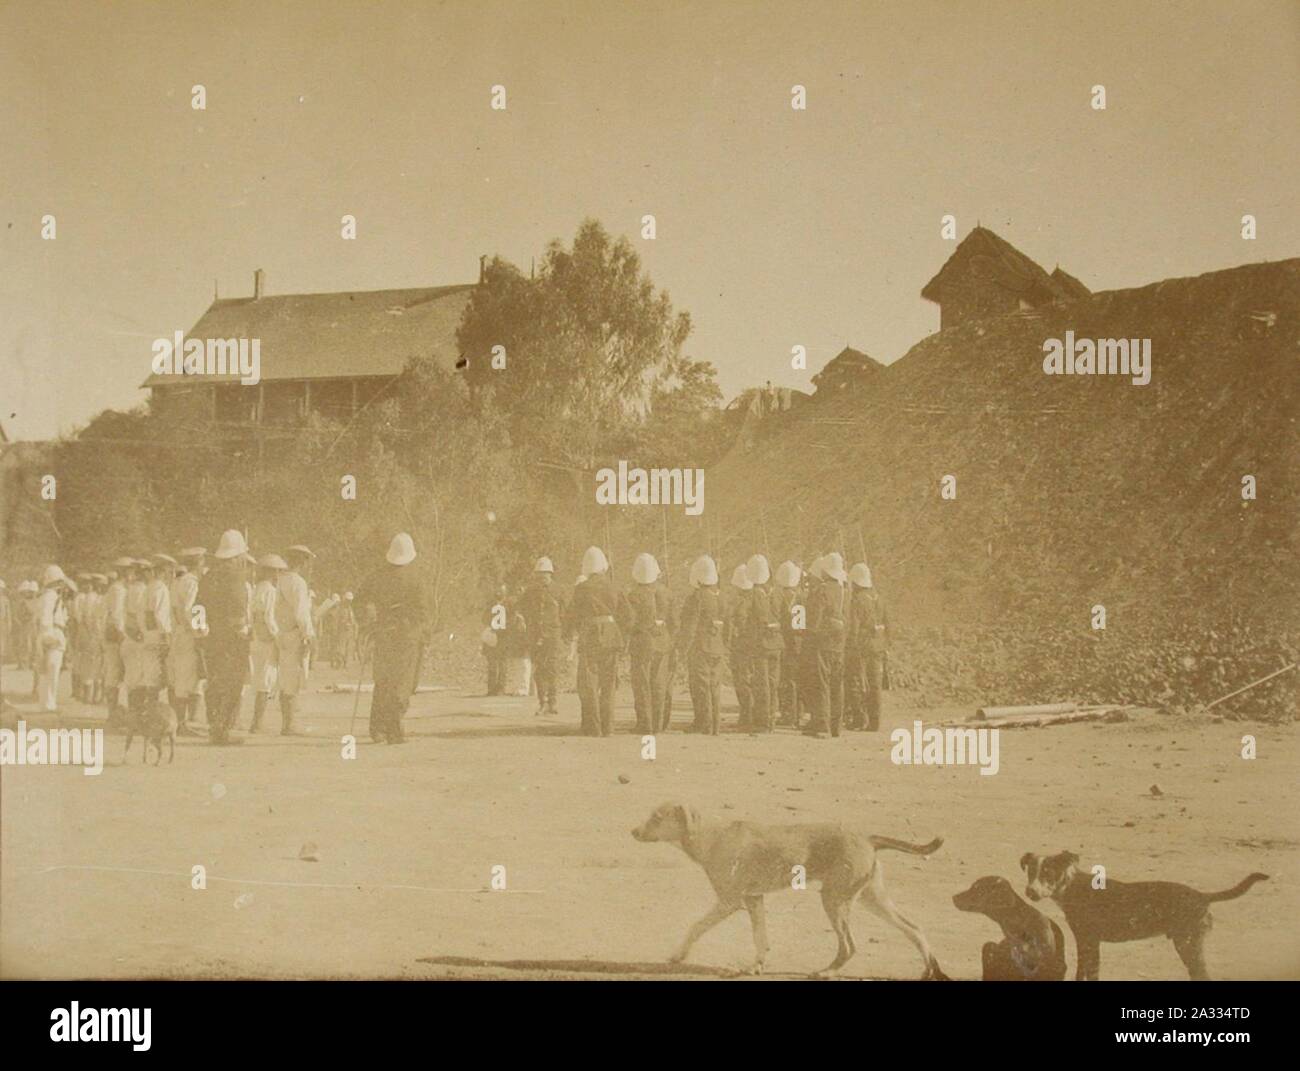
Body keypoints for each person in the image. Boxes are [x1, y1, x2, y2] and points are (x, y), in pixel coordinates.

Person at [357, 532, 427, 744]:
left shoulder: (377, 576)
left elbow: (359, 601)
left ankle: (377, 729)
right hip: (406, 636)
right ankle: (394, 728)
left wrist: (368, 622)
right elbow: (424, 612)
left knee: (383, 681)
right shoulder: (416, 579)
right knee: (401, 682)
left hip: (383, 634)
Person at [198, 530, 253, 745]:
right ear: (237, 556)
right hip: (232, 640)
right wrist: (244, 632)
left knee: (214, 682)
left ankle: (214, 727)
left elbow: (197, 608)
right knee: (233, 683)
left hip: (211, 640)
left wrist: (201, 633)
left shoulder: (208, 577)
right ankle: (224, 729)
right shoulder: (236, 577)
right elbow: (239, 611)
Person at [565, 546, 622, 736]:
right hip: (612, 637)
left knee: (588, 684)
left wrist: (567, 633)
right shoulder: (614, 586)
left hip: (590, 636)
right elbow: (628, 616)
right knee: (608, 685)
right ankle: (609, 727)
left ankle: (593, 726)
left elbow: (572, 614)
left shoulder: (582, 588)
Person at [621, 552, 672, 734]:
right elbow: (674, 621)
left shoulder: (633, 595)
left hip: (642, 643)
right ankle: (658, 725)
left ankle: (645, 724)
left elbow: (628, 621)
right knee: (659, 685)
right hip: (663, 642)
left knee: (642, 685)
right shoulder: (666, 592)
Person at [678, 555, 725, 734]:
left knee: (700, 686)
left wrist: (683, 648)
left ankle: (703, 723)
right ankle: (714, 724)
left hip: (700, 646)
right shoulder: (719, 597)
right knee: (714, 686)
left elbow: (689, 626)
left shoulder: (696, 597)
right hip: (717, 646)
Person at [804, 551, 848, 738]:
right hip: (839, 642)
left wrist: (808, 633)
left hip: (823, 641)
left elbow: (814, 618)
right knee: (837, 683)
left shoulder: (821, 591)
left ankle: (822, 724)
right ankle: (836, 725)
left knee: (821, 683)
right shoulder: (845, 590)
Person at [275, 545, 316, 735]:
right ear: (302, 562)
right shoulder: (297, 582)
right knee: (293, 677)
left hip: (279, 633)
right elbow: (301, 613)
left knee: (285, 679)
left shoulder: (278, 580)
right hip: (293, 633)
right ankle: (289, 724)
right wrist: (309, 635)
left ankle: (287, 722)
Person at [168, 548, 206, 735]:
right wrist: (198, 631)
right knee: (186, 677)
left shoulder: (177, 582)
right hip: (187, 633)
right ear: (198, 562)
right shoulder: (192, 582)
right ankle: (181, 724)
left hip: (178, 631)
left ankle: (179, 723)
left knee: (180, 678)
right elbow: (190, 608)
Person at [845, 563, 888, 731]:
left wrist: (850, 645)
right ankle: (875, 721)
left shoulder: (857, 601)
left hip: (862, 646)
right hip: (878, 646)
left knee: (856, 681)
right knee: (875, 684)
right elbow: (887, 623)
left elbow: (854, 627)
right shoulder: (879, 598)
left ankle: (859, 719)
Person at [743, 554, 782, 733]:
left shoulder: (754, 595)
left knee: (762, 683)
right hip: (776, 642)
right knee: (773, 682)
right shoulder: (775, 593)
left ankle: (763, 721)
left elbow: (748, 618)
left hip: (761, 643)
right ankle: (772, 717)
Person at [520, 557, 562, 716]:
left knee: (552, 668)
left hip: (553, 634)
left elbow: (565, 612)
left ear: (551, 574)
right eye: (539, 575)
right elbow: (522, 608)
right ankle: (542, 702)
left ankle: (553, 701)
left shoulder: (558, 590)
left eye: (545, 574)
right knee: (539, 669)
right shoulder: (530, 591)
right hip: (536, 634)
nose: (542, 577)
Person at [248, 554, 283, 733]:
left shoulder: (255, 589)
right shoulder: (270, 590)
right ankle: (257, 722)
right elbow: (268, 617)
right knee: (266, 679)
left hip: (255, 636)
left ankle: (256, 721)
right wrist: (277, 637)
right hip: (266, 638)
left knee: (259, 678)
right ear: (272, 572)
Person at [35, 565, 74, 711]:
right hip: (53, 631)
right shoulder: (50, 596)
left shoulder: (46, 595)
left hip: (49, 631)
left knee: (46, 669)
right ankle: (49, 702)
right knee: (52, 668)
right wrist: (49, 636)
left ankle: (45, 702)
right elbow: (45, 618)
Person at [774, 560, 803, 727]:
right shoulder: (799, 599)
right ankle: (795, 713)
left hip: (789, 645)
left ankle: (790, 714)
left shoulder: (786, 599)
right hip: (796, 644)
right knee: (793, 680)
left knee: (788, 680)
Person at [101, 562, 131, 723]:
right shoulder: (118, 590)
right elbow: (118, 616)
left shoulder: (116, 589)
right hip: (116, 636)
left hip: (112, 635)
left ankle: (115, 712)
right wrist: (122, 636)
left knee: (115, 674)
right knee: (115, 673)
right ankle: (113, 713)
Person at [725, 564, 753, 729]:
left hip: (742, 647)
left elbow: (738, 625)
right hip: (750, 646)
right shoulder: (756, 598)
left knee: (742, 681)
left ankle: (746, 717)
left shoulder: (741, 603)